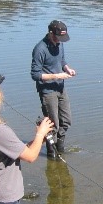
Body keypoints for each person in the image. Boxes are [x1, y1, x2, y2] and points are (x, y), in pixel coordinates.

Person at [30, 19, 76, 157]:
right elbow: (35, 74)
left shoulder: (59, 44)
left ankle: (60, 147)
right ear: (51, 33)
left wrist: (67, 69)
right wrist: (56, 75)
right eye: (58, 37)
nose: (59, 41)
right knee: (53, 124)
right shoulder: (40, 49)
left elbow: (61, 60)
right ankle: (52, 154)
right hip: (47, 91)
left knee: (66, 120)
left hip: (60, 87)